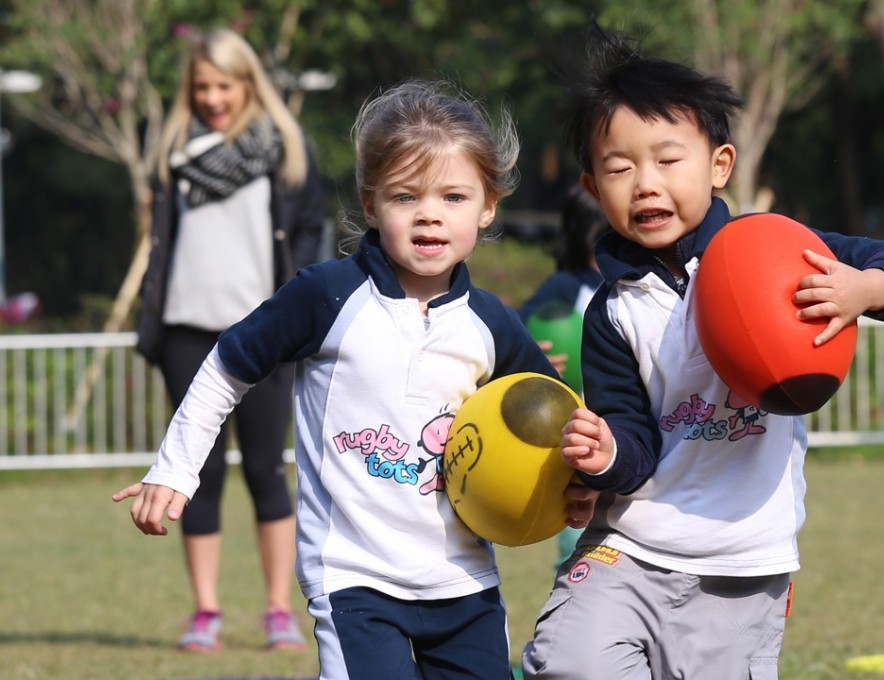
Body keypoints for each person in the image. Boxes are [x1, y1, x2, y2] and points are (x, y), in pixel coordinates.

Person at [115, 78, 596, 680]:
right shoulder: (326, 296)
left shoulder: (492, 323)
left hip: (464, 579)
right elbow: (226, 367)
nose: (429, 214)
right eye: (404, 196)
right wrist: (176, 467)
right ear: (371, 205)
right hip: (354, 580)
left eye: (453, 197)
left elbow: (556, 429)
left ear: (488, 206)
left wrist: (581, 484)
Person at [521, 23, 884, 680]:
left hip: (743, 564)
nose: (646, 184)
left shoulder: (774, 246)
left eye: (667, 159)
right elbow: (634, 439)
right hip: (632, 545)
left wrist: (865, 287)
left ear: (719, 166)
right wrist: (606, 455)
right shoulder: (613, 309)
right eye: (620, 169)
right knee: (569, 661)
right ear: (594, 190)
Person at [132, 28, 325, 652]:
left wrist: (294, 307)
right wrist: (151, 324)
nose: (213, 97)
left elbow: (311, 231)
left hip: (262, 336)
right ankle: (206, 611)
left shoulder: (284, 151)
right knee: (200, 475)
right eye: (201, 87)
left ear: (248, 84)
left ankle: (277, 611)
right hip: (187, 329)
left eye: (224, 85)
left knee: (268, 471)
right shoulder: (174, 154)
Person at [518, 184, 611, 573]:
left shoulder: (638, 280)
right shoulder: (565, 287)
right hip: (581, 432)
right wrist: (538, 358)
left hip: (626, 430)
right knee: (580, 535)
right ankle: (571, 594)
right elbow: (521, 334)